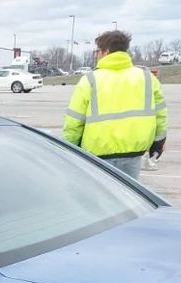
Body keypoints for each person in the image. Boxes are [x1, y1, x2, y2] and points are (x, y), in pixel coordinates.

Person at [62, 30, 167, 180]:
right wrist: (158, 143)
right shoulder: (147, 78)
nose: (96, 55)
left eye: (97, 51)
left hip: (97, 156)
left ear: (106, 51)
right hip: (134, 154)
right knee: (127, 198)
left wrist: (68, 150)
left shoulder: (90, 80)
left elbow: (74, 121)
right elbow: (161, 115)